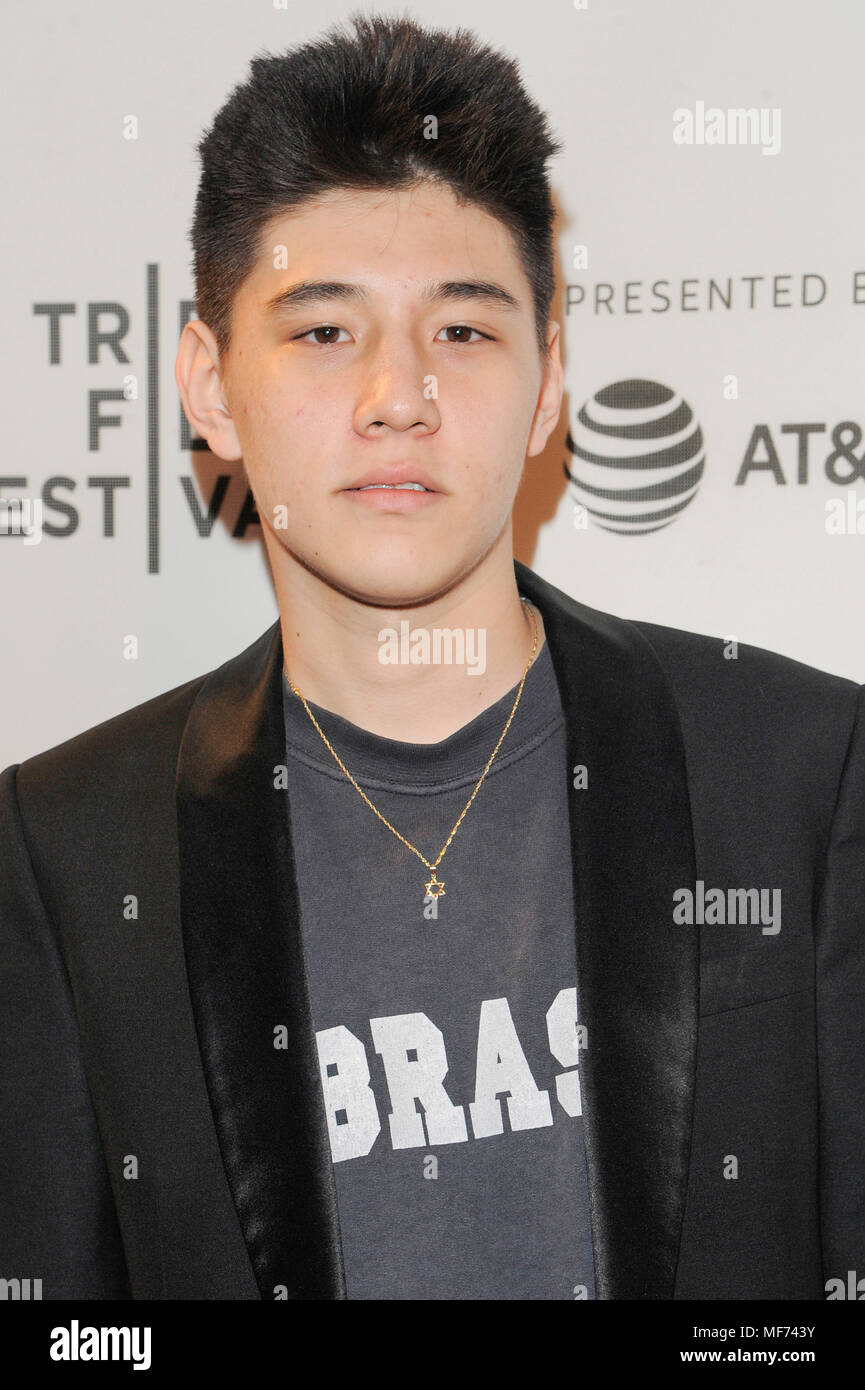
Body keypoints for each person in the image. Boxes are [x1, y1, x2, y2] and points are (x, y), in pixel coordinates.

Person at [1, 12, 863, 1302]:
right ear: (208, 384)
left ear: (550, 380)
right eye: (321, 330)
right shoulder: (67, 846)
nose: (397, 395)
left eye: (463, 330)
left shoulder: (802, 772)